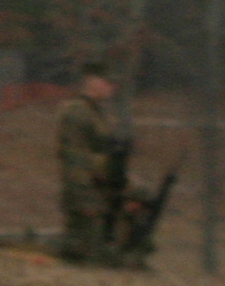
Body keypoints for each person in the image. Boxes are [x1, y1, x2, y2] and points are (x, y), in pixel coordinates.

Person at [55, 65, 157, 268]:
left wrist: (128, 185)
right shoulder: (77, 113)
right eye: (108, 82)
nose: (113, 87)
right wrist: (87, 199)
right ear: (92, 82)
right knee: (90, 258)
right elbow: (75, 159)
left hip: (103, 193)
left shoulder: (95, 113)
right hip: (88, 196)